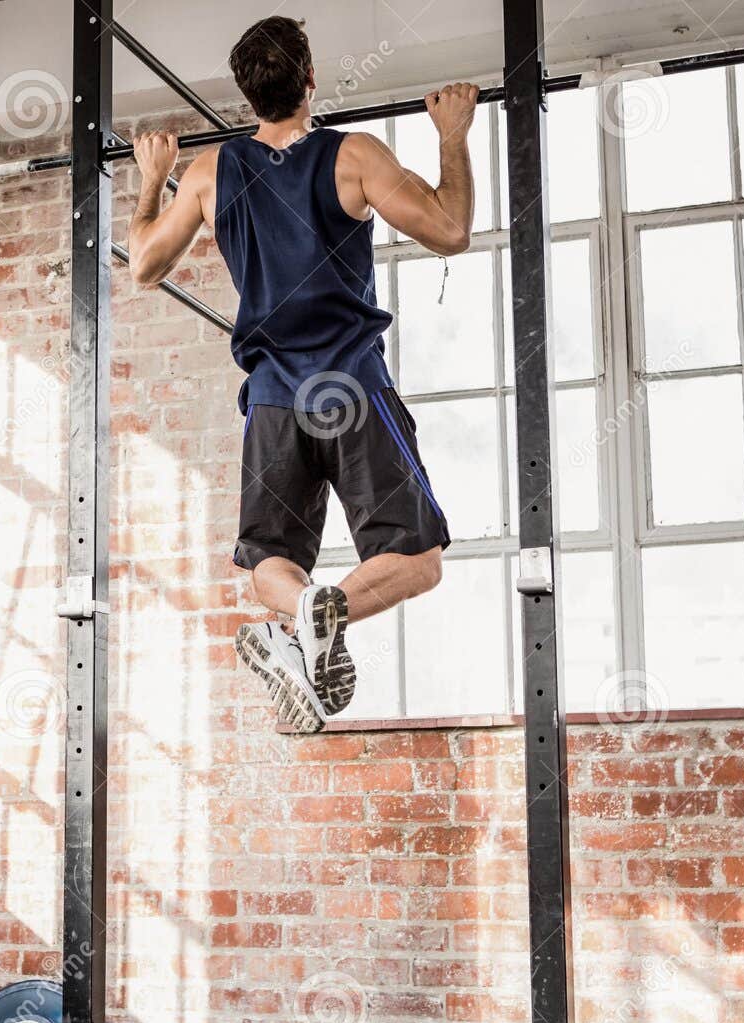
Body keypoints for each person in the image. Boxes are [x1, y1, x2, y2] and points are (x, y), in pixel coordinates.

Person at [126, 15, 477, 733]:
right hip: (349, 384)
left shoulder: (210, 172)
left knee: (271, 565)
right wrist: (452, 134)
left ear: (248, 97)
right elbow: (450, 231)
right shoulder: (353, 157)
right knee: (419, 560)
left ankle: (301, 617)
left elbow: (144, 265)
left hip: (272, 400)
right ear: (310, 80)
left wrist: (153, 179)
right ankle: (324, 612)